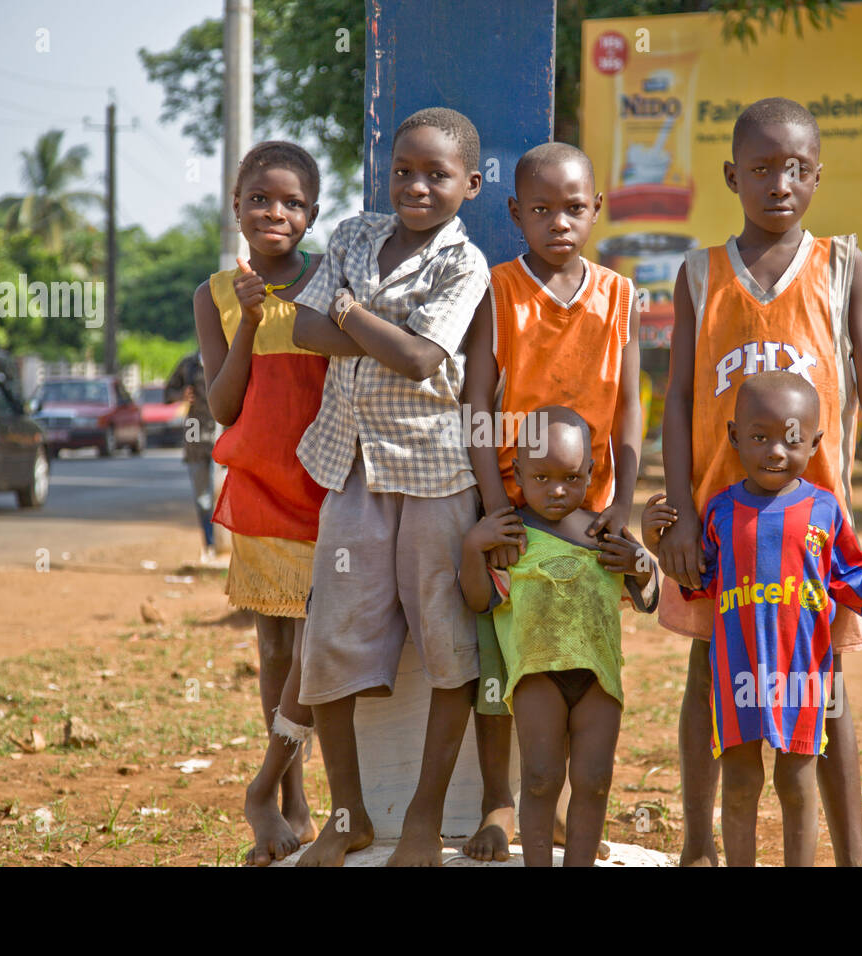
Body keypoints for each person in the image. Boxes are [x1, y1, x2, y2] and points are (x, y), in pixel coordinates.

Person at [657, 97, 862, 866]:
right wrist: (681, 511)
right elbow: (678, 399)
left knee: (828, 681)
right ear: (731, 175)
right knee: (707, 669)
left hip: (813, 526)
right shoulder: (698, 272)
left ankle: (849, 855)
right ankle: (696, 845)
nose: (779, 182)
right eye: (761, 168)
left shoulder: (840, 264)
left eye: (795, 168)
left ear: (817, 174)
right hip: (722, 526)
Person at [289, 107, 489, 867]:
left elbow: (420, 360)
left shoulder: (464, 264)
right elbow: (308, 333)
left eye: (436, 175)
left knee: (447, 644)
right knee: (330, 639)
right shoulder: (350, 236)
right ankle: (349, 817)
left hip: (435, 472)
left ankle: (421, 822)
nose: (416, 186)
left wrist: (347, 309)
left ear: (469, 184)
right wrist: (373, 326)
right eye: (404, 170)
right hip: (351, 465)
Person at [648, 371, 862, 866]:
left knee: (796, 783)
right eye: (759, 438)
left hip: (802, 678)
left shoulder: (824, 511)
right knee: (740, 783)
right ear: (734, 437)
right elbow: (699, 580)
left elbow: (850, 575)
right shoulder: (720, 512)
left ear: (816, 442)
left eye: (791, 439)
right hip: (738, 675)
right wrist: (658, 544)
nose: (775, 451)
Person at [460, 142, 642, 862]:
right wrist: (489, 503)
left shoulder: (620, 296)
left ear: (596, 208)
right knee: (503, 662)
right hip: (516, 507)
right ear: (515, 214)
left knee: (579, 650)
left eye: (573, 207)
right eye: (540, 209)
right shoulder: (498, 291)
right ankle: (503, 801)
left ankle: (569, 808)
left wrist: (623, 502)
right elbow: (476, 401)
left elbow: (630, 407)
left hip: (585, 510)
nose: (558, 222)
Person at [191, 141, 328, 865]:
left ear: (312, 215)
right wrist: (248, 319)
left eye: (293, 202)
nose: (275, 212)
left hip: (326, 489)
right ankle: (293, 802)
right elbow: (222, 405)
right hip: (260, 489)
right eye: (260, 199)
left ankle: (267, 787)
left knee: (315, 648)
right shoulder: (215, 292)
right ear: (237, 205)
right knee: (275, 646)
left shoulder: (331, 281)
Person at [459, 407, 657, 866]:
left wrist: (641, 562)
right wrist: (473, 546)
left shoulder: (603, 534)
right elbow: (478, 600)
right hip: (537, 678)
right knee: (542, 779)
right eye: (542, 478)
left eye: (570, 478)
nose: (557, 490)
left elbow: (648, 598)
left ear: (590, 473)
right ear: (518, 473)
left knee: (594, 780)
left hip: (600, 682)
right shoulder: (512, 535)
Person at [163, 349, 221, 566]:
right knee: (202, 499)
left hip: (220, 435)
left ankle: (225, 546)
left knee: (220, 496)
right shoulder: (188, 365)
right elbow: (167, 394)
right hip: (195, 438)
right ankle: (209, 545)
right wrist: (180, 396)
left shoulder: (226, 356)